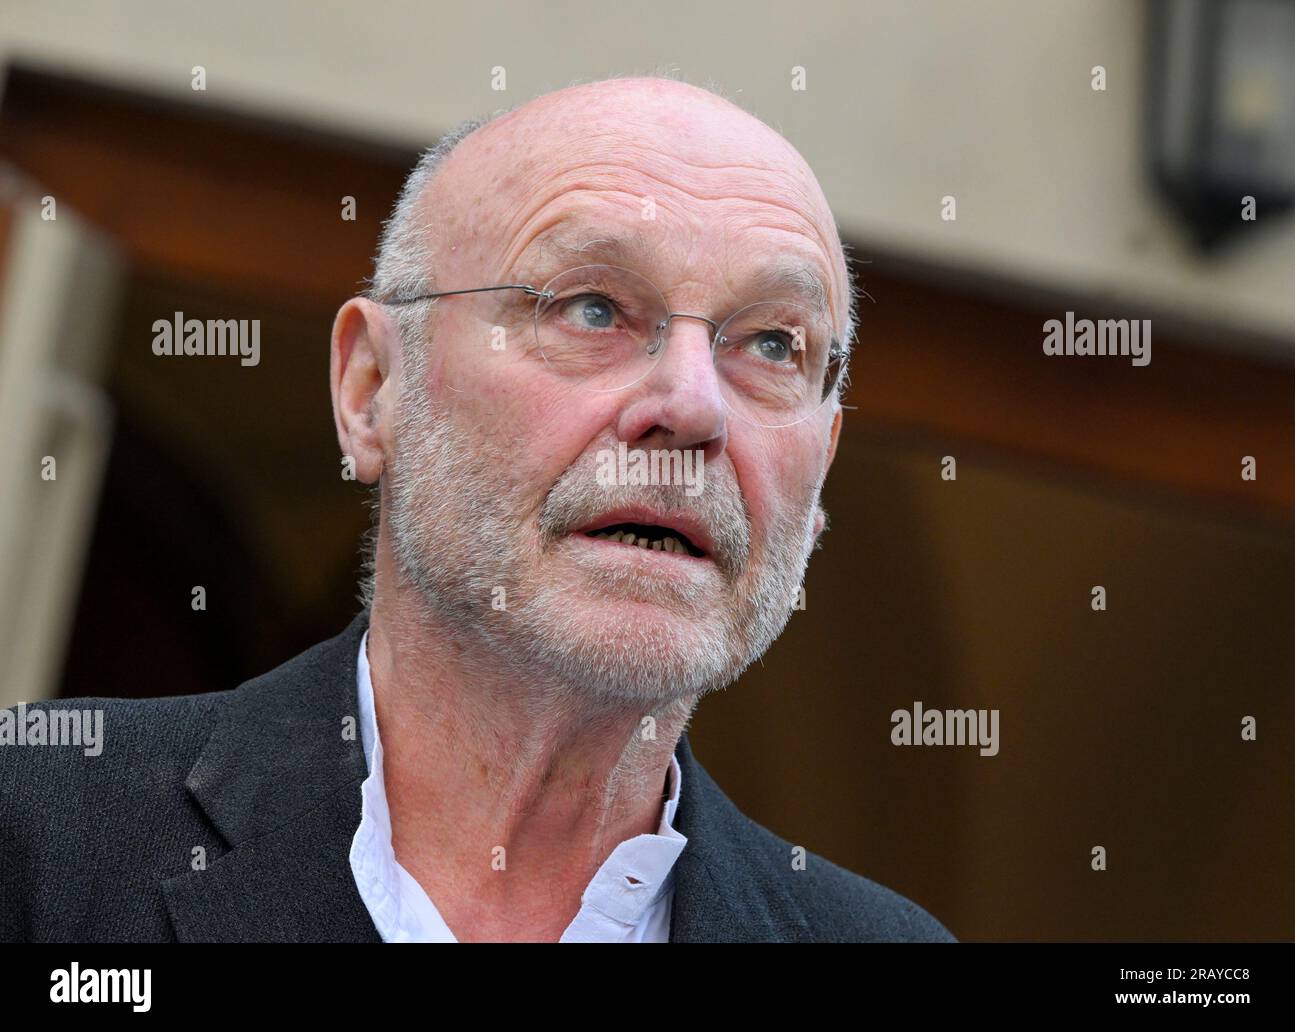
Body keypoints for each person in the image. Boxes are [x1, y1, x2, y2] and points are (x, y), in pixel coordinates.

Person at [0, 76, 954, 943]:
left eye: (776, 345)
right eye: (591, 308)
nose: (696, 407)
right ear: (373, 388)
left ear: (821, 468)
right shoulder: (37, 843)